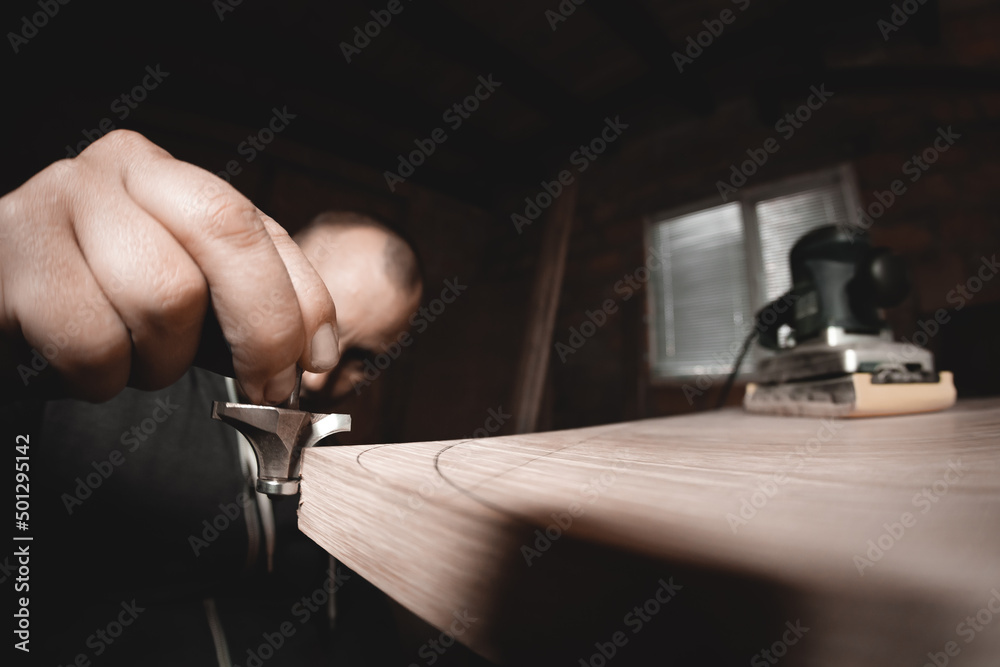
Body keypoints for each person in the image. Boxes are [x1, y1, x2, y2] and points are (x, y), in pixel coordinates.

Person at [0, 130, 426, 665]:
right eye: (322, 318)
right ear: (275, 276)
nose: (320, 376)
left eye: (365, 356)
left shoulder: (333, 463)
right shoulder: (107, 380)